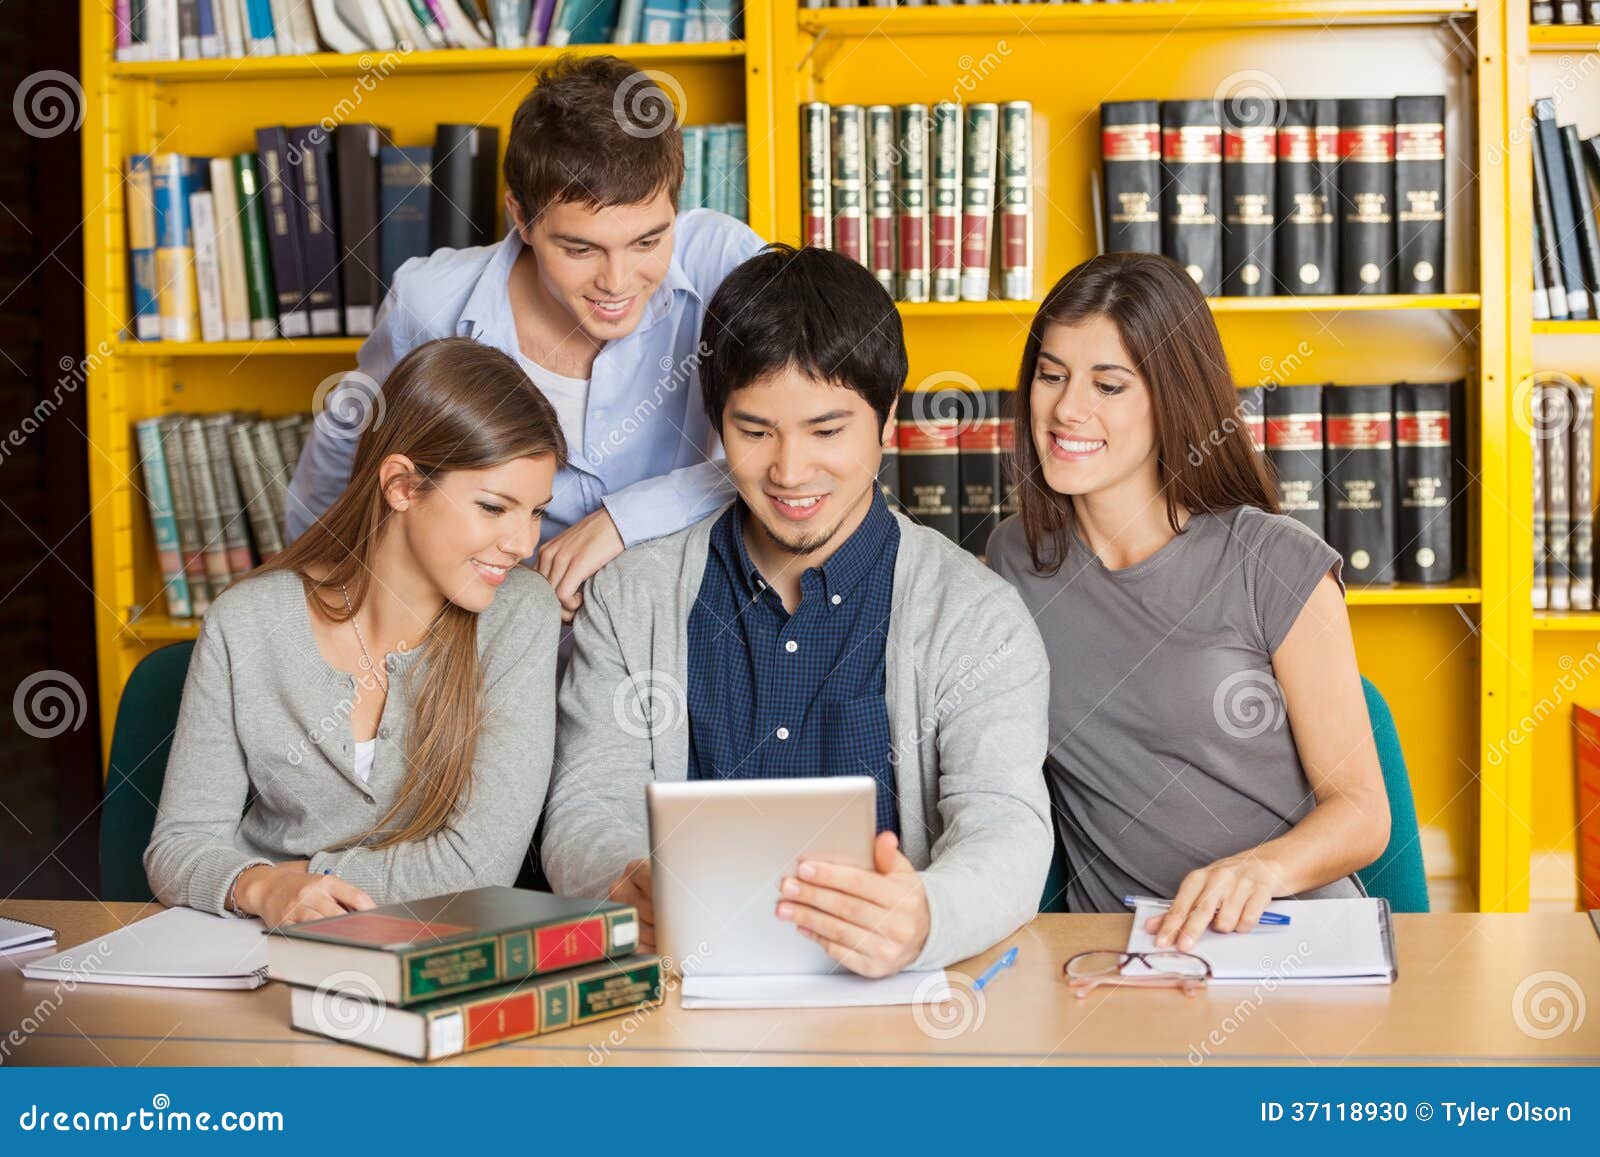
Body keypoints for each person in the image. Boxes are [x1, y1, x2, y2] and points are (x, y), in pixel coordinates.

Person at [541, 245, 1053, 977]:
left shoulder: (976, 617)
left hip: (896, 1014)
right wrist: (622, 883)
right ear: (717, 426)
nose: (789, 471)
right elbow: (587, 804)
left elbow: (1007, 826)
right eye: (754, 432)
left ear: (887, 420)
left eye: (826, 430)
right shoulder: (633, 598)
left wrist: (925, 916)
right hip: (679, 1012)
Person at [986, 251, 1391, 953]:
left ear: (1172, 398)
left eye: (1108, 385)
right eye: (1051, 375)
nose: (1066, 408)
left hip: (1290, 938)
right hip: (1126, 954)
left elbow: (1361, 813)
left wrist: (1261, 868)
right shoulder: (1012, 561)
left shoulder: (1275, 559)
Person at [286, 54, 764, 621]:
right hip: (485, 630)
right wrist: (310, 607)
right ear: (522, 217)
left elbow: (799, 438)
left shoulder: (724, 263)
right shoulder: (431, 302)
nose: (617, 283)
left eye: (645, 243)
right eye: (580, 249)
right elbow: (347, 457)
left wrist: (625, 518)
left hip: (684, 623)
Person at [145, 338, 566, 927]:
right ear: (400, 485)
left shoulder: (519, 614)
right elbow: (179, 845)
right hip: (263, 951)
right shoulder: (247, 622)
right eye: (495, 508)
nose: (524, 544)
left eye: (537, 511)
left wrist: (293, 877)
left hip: (439, 953)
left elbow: (477, 868)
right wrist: (263, 890)